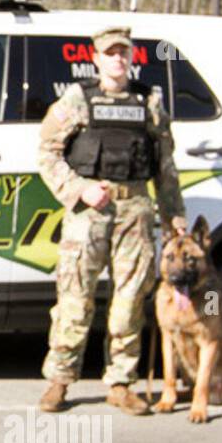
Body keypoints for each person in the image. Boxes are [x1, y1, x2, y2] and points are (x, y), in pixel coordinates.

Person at [36, 25, 186, 415]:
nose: (118, 58)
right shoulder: (78, 99)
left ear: (131, 57)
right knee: (74, 299)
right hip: (89, 210)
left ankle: (121, 382)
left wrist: (174, 217)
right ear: (96, 58)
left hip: (135, 207)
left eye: (124, 52)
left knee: (131, 300)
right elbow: (47, 154)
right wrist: (79, 189)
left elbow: (165, 167)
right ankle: (59, 380)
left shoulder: (148, 102)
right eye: (110, 52)